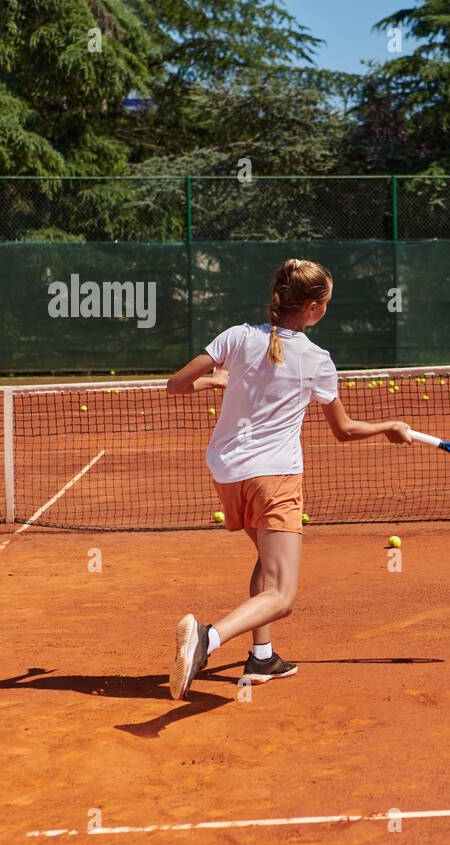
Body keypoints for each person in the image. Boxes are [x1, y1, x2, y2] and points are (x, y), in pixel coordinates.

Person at [164, 258, 412, 700]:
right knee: (283, 594)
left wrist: (216, 381)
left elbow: (176, 385)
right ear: (314, 308)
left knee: (267, 560)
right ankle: (208, 639)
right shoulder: (317, 360)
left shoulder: (237, 336)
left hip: (228, 474)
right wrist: (389, 427)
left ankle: (263, 656)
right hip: (274, 478)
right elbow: (344, 431)